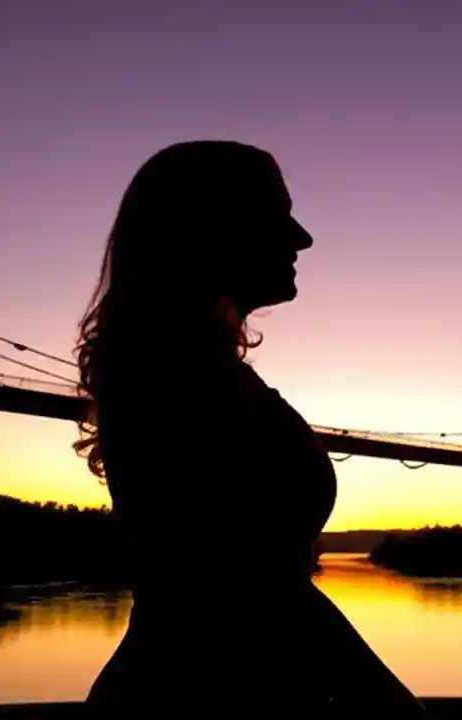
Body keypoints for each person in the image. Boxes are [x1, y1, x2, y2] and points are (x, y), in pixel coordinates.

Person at [74, 141, 424, 716]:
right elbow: (254, 594)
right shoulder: (177, 381)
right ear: (209, 229)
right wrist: (396, 707)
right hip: (201, 710)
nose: (302, 238)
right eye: (277, 215)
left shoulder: (199, 376)